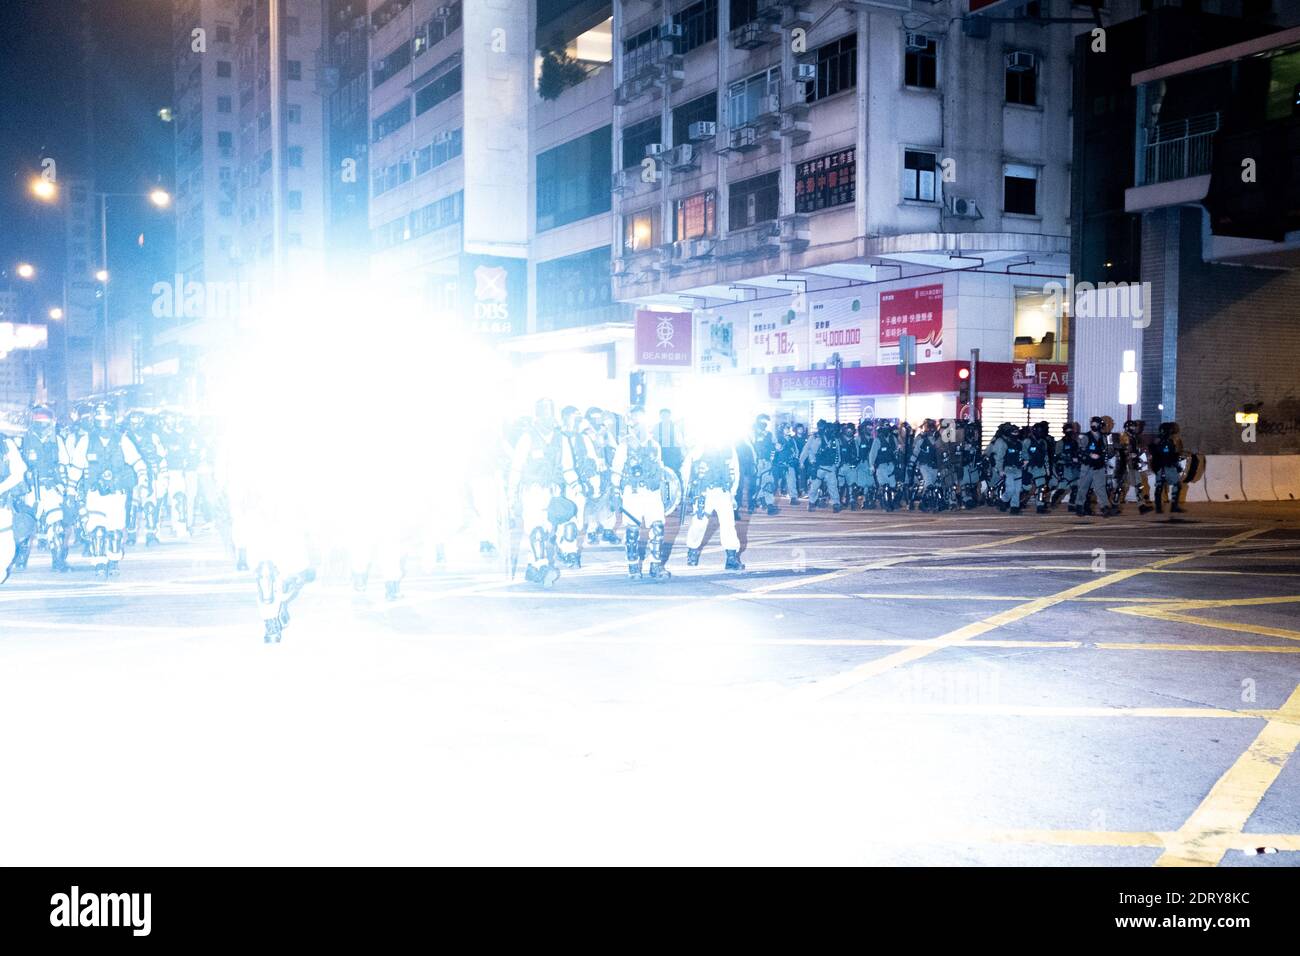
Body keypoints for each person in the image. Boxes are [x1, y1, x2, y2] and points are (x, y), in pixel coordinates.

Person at [67, 403, 148, 577]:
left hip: (117, 493)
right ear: (94, 420)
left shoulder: (122, 440)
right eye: (100, 419)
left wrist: (143, 481)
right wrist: (70, 491)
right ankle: (99, 562)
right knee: (97, 530)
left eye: (106, 419)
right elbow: (76, 468)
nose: (103, 423)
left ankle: (113, 560)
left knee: (115, 532)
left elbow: (137, 462)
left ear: (112, 420)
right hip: (94, 493)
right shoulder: (86, 440)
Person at [508, 398, 573, 588]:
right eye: (544, 415)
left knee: (547, 530)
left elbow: (568, 467)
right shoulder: (528, 437)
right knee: (535, 528)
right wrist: (511, 492)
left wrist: (574, 487)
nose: (548, 419)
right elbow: (517, 467)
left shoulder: (561, 439)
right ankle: (543, 566)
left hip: (553, 490)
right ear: (538, 417)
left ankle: (532, 567)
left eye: (550, 414)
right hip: (532, 489)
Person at [610, 408, 670, 581]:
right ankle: (633, 566)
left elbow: (660, 469)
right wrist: (615, 491)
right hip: (633, 492)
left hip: (652, 492)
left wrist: (665, 491)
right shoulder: (625, 445)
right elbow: (617, 470)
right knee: (632, 530)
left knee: (658, 527)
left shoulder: (654, 445)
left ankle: (656, 565)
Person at [16, 405, 72, 572]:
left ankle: (58, 561)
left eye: (45, 423)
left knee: (57, 525)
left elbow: (65, 464)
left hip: (51, 487)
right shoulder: (23, 440)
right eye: (39, 423)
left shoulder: (57, 441)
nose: (42, 427)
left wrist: (64, 485)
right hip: (30, 488)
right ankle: (19, 558)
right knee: (25, 525)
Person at [681, 435, 744, 570]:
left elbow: (735, 471)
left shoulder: (729, 447)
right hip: (704, 492)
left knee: (728, 525)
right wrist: (690, 487)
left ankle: (731, 557)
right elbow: (687, 468)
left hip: (723, 491)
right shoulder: (700, 446)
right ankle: (692, 550)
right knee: (699, 524)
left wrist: (732, 494)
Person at [558, 405, 601, 569]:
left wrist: (594, 485)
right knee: (562, 521)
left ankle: (568, 549)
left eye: (578, 417)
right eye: (573, 417)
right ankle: (566, 550)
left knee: (577, 522)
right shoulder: (557, 437)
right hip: (559, 486)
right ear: (565, 417)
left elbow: (593, 462)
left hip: (579, 486)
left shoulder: (584, 439)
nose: (576, 420)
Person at [123, 409, 169, 547]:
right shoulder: (124, 437)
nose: (134, 424)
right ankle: (131, 534)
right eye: (132, 421)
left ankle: (151, 533)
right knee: (131, 505)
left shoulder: (152, 436)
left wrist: (162, 475)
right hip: (131, 475)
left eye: (137, 420)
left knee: (150, 504)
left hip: (149, 474)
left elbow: (161, 456)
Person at [0, 428, 29, 585]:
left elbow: (18, 472)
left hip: (2, 504)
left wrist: (2, 488)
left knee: (5, 547)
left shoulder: (5, 444)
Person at [1075, 416, 1114, 517]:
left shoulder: (1104, 437)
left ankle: (1105, 507)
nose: (1094, 426)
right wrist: (1089, 454)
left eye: (1096, 424)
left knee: (1100, 487)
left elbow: (1107, 451)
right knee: (1083, 487)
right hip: (1087, 466)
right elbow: (1079, 450)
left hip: (1099, 466)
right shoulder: (1086, 437)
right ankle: (1079, 506)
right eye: (1092, 424)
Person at [1116, 419, 1153, 515]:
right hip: (1126, 464)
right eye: (1132, 426)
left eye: (1134, 426)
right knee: (1121, 486)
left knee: (1138, 485)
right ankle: (1115, 505)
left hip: (1133, 464)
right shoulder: (1124, 436)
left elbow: (1136, 450)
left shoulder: (1134, 437)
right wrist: (1129, 455)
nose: (1134, 428)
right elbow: (1122, 450)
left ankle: (1141, 506)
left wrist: (1140, 456)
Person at [1150, 421, 1185, 513]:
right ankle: (1173, 507)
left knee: (1159, 485)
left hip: (1160, 467)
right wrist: (1176, 457)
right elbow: (1167, 454)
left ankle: (1158, 508)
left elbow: (1154, 452)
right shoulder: (1167, 441)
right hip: (1167, 466)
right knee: (1177, 485)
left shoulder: (1158, 440)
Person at [1023, 421, 1055, 514]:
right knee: (1026, 488)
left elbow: (1045, 456)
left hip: (1040, 467)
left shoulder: (1043, 442)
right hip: (1029, 467)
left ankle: (1040, 506)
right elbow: (1023, 453)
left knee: (1042, 487)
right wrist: (1026, 461)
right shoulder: (1027, 441)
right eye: (1039, 431)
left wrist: (1047, 469)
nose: (1040, 433)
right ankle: (1020, 501)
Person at [870, 420, 901, 512]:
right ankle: (885, 504)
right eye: (885, 428)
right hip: (881, 466)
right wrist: (871, 465)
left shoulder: (893, 438)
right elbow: (873, 453)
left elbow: (897, 451)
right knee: (884, 485)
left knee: (893, 485)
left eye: (887, 428)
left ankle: (892, 503)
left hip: (891, 465)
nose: (886, 430)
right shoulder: (877, 440)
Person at [750, 415, 779, 516]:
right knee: (757, 484)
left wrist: (777, 447)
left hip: (766, 462)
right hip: (756, 463)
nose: (764, 424)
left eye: (766, 422)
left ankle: (769, 505)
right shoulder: (752, 433)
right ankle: (756, 501)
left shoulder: (769, 434)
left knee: (768, 483)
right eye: (762, 421)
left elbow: (776, 446)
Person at [655, 408, 683, 474]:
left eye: (666, 415)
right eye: (663, 415)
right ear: (660, 416)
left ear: (669, 416)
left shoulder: (675, 427)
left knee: (674, 472)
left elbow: (680, 442)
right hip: (662, 453)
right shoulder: (656, 427)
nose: (664, 417)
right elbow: (654, 440)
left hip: (673, 454)